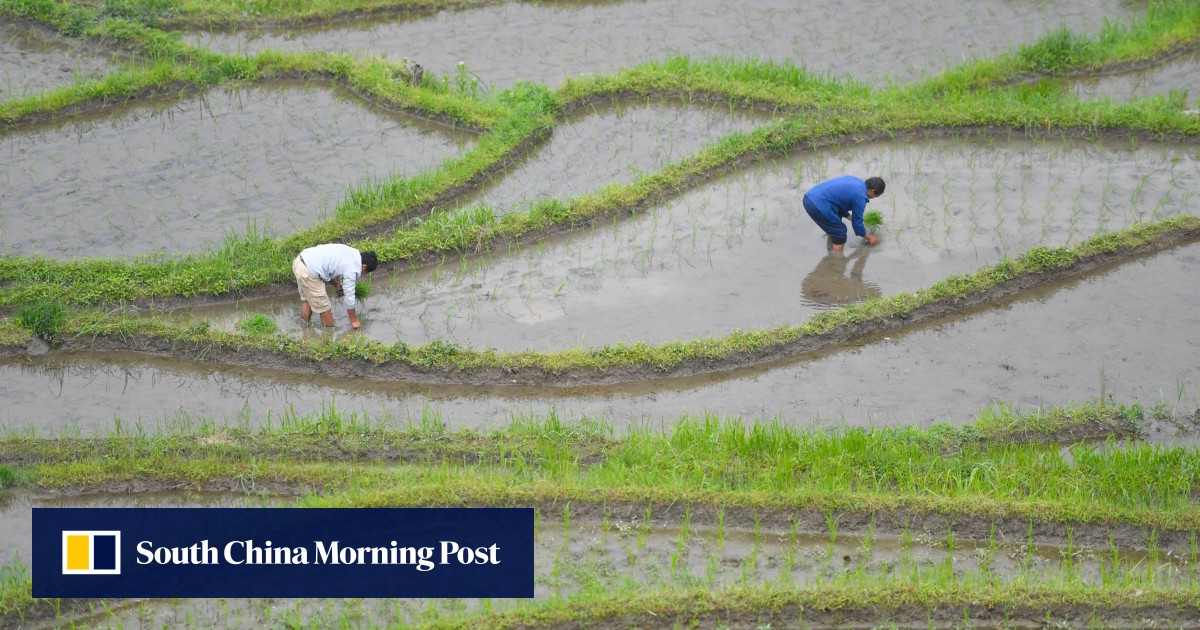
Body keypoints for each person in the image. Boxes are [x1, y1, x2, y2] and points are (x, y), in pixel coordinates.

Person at [292, 243, 378, 329]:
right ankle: (329, 332)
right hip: (309, 272)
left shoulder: (351, 252)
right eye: (365, 271)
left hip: (300, 261)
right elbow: (349, 297)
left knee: (309, 299)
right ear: (364, 266)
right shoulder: (353, 268)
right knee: (324, 307)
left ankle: (304, 327)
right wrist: (354, 320)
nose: (363, 273)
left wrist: (336, 284)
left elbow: (326, 267)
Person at [802, 175, 885, 253]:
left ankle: (830, 251)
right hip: (817, 204)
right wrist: (869, 237)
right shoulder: (861, 196)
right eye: (874, 196)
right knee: (840, 233)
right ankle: (837, 263)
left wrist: (851, 217)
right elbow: (857, 226)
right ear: (871, 191)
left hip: (810, 197)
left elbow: (839, 202)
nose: (872, 198)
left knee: (835, 226)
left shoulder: (855, 181)